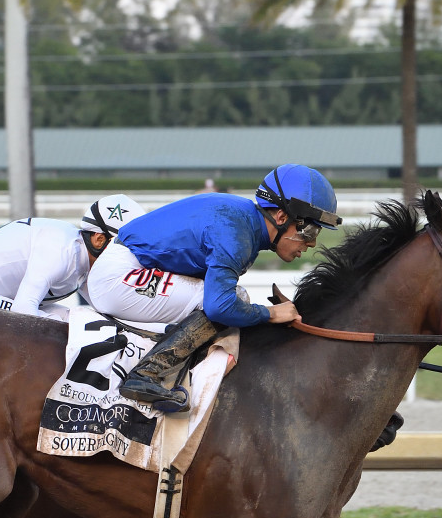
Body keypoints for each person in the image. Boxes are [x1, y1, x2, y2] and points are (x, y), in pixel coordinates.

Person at [82, 164, 341, 412]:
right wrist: (271, 314)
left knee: (231, 299)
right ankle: (146, 373)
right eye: (308, 230)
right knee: (228, 300)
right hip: (119, 277)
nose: (311, 243)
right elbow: (218, 307)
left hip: (129, 270)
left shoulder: (243, 221)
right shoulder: (236, 232)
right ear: (281, 216)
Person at [0, 194, 147, 321]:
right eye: (124, 248)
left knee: (81, 320)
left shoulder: (86, 262)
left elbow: (110, 310)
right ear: (99, 239)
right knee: (62, 323)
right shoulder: (62, 249)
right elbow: (23, 310)